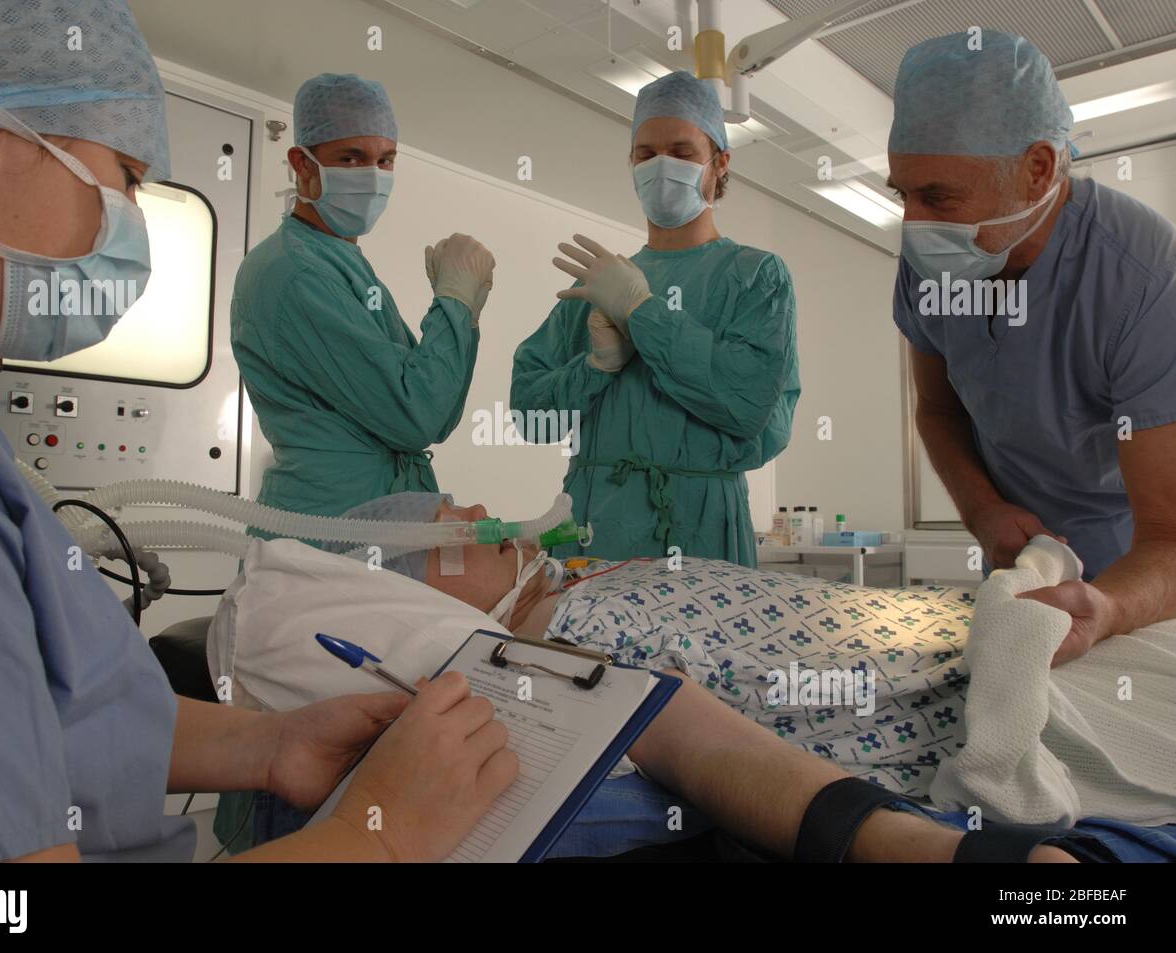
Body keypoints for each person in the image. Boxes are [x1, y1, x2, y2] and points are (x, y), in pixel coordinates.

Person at [0, 0, 515, 863]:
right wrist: (385, 836)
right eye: (128, 177)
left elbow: (52, 704)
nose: (128, 226)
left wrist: (272, 744)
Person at [219, 493, 1176, 862]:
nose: (478, 508)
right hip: (992, 678)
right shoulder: (566, 633)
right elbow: (758, 705)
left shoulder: (599, 583)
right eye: (449, 522)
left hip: (980, 632)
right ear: (426, 576)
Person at [888, 31, 1176, 665]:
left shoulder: (1143, 279)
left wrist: (1107, 608)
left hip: (1140, 578)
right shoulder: (932, 263)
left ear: (1038, 168)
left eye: (936, 196)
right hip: (1016, 562)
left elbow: (1169, 539)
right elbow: (938, 411)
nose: (913, 225)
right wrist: (983, 508)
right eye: (901, 194)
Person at [512, 70, 800, 568]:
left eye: (682, 152)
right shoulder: (597, 285)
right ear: (630, 162)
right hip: (593, 523)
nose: (661, 165)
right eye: (646, 153)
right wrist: (595, 369)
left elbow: (747, 404)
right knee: (586, 647)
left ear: (720, 163)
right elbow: (532, 419)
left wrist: (643, 314)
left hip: (702, 527)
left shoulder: (756, 276)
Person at [232, 72, 495, 530]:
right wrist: (453, 305)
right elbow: (417, 415)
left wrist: (463, 314)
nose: (373, 176)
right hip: (328, 531)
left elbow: (436, 416)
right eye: (351, 158)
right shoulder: (295, 272)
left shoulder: (340, 260)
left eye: (386, 160)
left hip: (369, 522)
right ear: (303, 163)